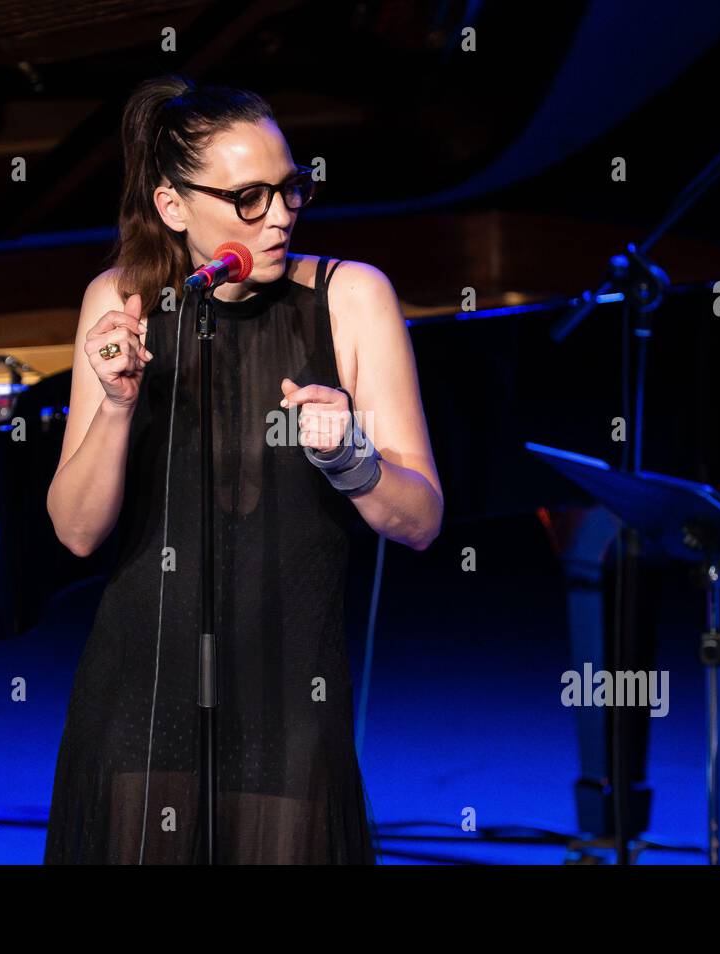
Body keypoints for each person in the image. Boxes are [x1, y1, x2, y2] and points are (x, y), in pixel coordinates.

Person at [42, 74, 443, 863]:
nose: (281, 216)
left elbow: (422, 520)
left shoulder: (351, 298)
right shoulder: (119, 303)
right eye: (249, 198)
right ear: (172, 206)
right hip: (140, 696)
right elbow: (77, 532)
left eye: (291, 190)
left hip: (290, 697)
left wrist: (352, 459)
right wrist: (117, 408)